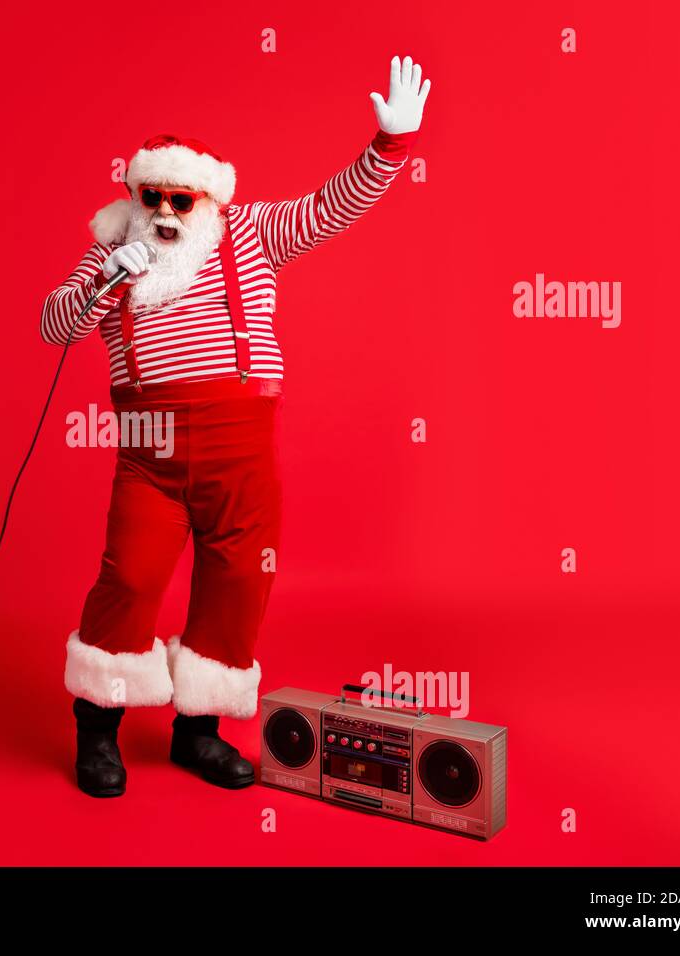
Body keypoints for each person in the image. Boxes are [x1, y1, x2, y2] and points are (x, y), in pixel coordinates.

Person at [41, 56, 432, 797]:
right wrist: (103, 278)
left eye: (180, 200)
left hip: (241, 445)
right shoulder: (112, 252)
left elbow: (329, 207)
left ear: (206, 200)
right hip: (150, 448)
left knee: (239, 581)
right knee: (130, 577)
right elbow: (52, 327)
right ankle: (98, 729)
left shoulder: (249, 233)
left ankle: (199, 734)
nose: (164, 212)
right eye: (151, 196)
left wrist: (389, 146)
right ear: (133, 195)